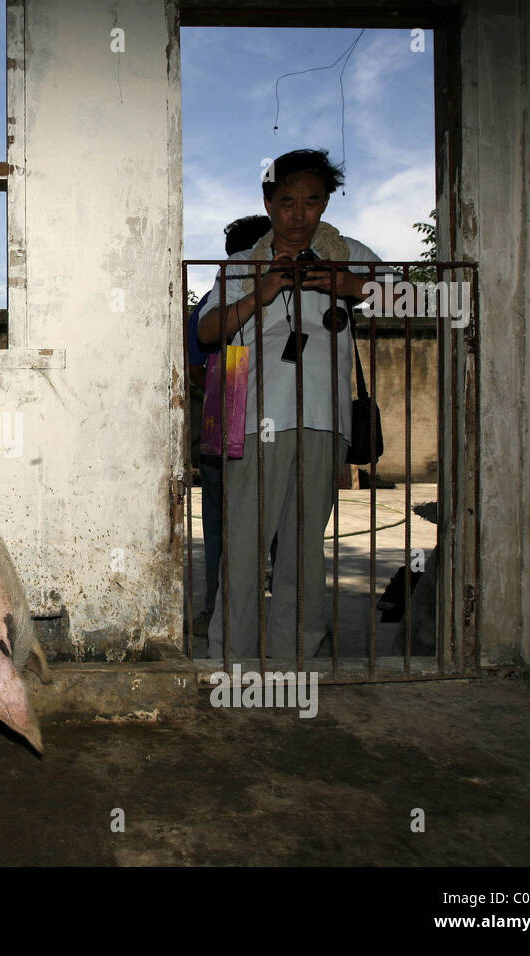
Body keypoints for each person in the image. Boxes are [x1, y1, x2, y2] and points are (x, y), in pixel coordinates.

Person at [197, 148, 385, 659]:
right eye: (287, 202)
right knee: (244, 544)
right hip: (258, 418)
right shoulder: (241, 265)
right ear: (268, 201)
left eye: (311, 201)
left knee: (304, 549)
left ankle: (294, 659)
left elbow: (412, 298)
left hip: (327, 420)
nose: (299, 214)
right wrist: (259, 292)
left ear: (325, 202)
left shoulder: (348, 251)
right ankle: (231, 659)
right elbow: (209, 330)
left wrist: (351, 284)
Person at [187, 215, 272, 637]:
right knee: (239, 521)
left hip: (235, 422)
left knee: (228, 521)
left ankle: (224, 609)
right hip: (235, 424)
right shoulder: (217, 305)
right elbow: (196, 365)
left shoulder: (215, 302)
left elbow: (195, 369)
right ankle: (226, 607)